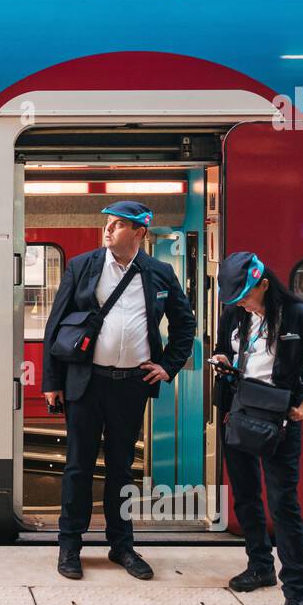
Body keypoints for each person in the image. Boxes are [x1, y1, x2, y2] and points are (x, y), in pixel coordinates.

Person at [42, 200, 196, 580]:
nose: (108, 230)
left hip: (131, 387)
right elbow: (55, 324)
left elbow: (184, 324)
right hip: (86, 382)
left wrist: (168, 366)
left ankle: (122, 546)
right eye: (108, 223)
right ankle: (70, 546)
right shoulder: (82, 266)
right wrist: (52, 382)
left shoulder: (160, 273)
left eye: (118, 225)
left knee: (122, 470)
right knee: (77, 468)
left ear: (140, 232)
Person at [211, 251, 303, 605]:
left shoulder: (299, 316)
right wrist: (222, 362)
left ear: (264, 284)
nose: (239, 302)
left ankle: (297, 592)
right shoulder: (234, 314)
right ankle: (259, 566)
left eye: (244, 294)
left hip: (281, 420)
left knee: (283, 504)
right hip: (239, 413)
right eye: (233, 297)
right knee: (246, 496)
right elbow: (226, 352)